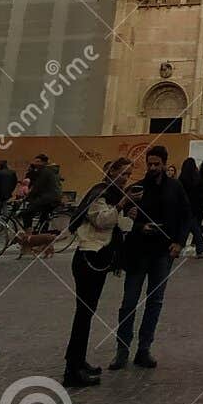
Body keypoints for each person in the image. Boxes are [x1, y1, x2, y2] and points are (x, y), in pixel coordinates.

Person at [112, 144, 189, 370]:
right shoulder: (137, 188)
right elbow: (125, 218)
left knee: (154, 302)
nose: (153, 167)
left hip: (163, 253)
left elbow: (186, 216)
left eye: (157, 164)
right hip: (138, 252)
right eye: (150, 163)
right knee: (129, 303)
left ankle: (144, 349)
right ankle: (122, 350)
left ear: (165, 164)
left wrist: (179, 242)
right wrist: (137, 224)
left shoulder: (175, 188)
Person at [62, 159, 133, 388]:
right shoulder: (100, 193)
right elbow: (102, 220)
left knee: (87, 313)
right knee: (83, 314)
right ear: (109, 172)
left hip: (100, 258)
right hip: (88, 258)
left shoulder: (111, 195)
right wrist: (122, 204)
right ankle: (72, 371)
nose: (125, 178)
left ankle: (78, 361)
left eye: (128, 174)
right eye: (121, 173)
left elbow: (118, 225)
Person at [21, 155, 62, 229]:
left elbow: (38, 187)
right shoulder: (47, 171)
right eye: (35, 161)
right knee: (44, 216)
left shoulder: (45, 172)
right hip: (53, 197)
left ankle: (28, 235)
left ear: (44, 162)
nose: (35, 163)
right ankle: (43, 233)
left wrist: (28, 197)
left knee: (26, 213)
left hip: (49, 198)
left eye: (38, 161)